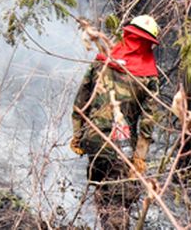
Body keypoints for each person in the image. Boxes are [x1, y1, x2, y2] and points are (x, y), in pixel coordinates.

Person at [70, 15, 162, 230]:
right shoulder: (149, 76)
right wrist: (139, 157)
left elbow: (81, 101)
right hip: (120, 144)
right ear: (150, 43)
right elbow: (148, 122)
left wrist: (78, 134)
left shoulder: (103, 60)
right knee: (119, 203)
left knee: (104, 193)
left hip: (94, 139)